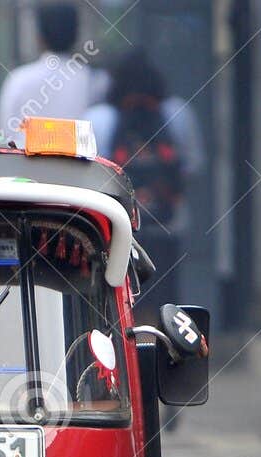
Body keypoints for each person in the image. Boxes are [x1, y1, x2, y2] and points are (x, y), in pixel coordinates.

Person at [87, 55, 203, 304]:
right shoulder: (178, 113)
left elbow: (91, 171)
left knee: (122, 294)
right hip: (167, 226)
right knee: (165, 295)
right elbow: (193, 166)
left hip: (117, 226)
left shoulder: (99, 117)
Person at [0, 3, 102, 144]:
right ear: (76, 34)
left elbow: (3, 133)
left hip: (24, 163)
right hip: (75, 163)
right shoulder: (92, 80)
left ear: (39, 36)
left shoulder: (19, 79)